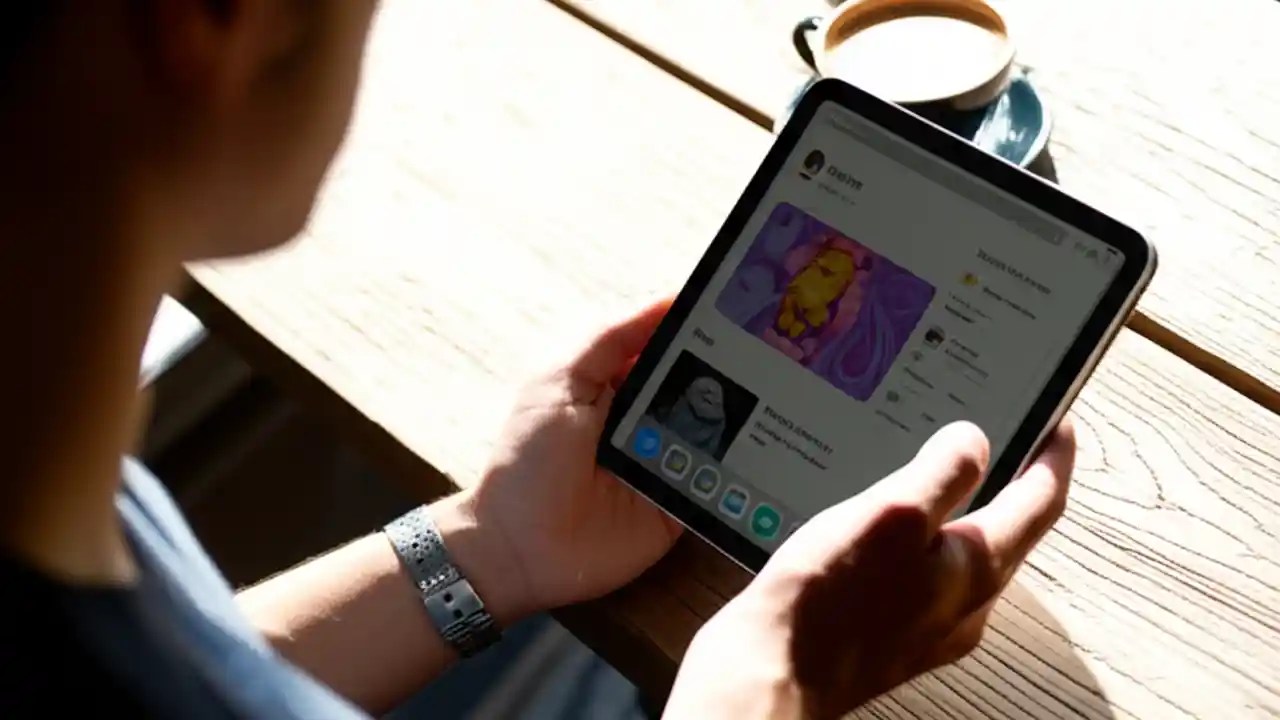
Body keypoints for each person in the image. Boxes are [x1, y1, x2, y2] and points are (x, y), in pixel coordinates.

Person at [0, 3, 1075, 719]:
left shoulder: (42, 434)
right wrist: (765, 686)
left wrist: (490, 547)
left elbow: (197, 654)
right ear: (217, 20)